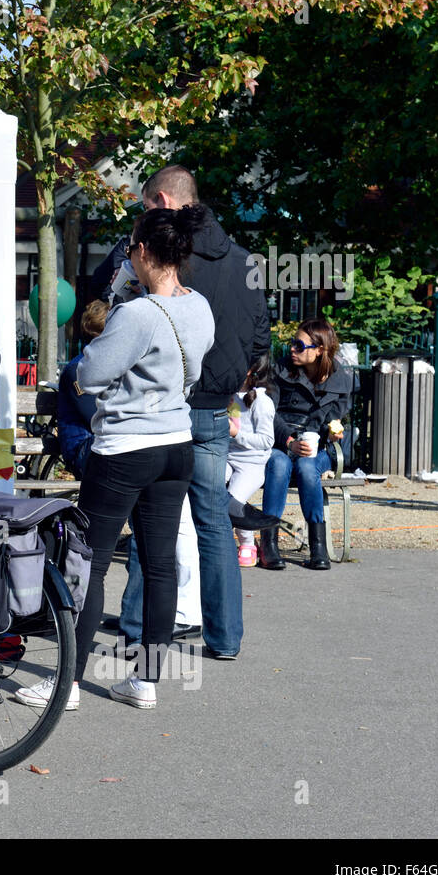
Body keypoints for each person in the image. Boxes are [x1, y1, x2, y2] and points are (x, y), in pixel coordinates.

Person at [112, 166, 269, 660]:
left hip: (167, 406)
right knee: (214, 521)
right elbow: (262, 340)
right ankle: (225, 637)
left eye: (145, 209)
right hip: (217, 409)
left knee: (150, 518)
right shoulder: (246, 261)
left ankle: (138, 627)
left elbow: (133, 325)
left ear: (162, 200)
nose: (143, 222)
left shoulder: (169, 260)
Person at [65, 205, 215, 710]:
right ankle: (145, 680)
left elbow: (89, 374)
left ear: (144, 253)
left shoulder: (136, 314)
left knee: (91, 564)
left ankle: (67, 683)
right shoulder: (200, 307)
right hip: (176, 442)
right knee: (159, 565)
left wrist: (116, 295)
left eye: (131, 249)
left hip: (126, 446)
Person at [259, 318, 352, 571]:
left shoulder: (339, 380)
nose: (292, 349)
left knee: (307, 467)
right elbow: (268, 413)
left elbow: (336, 419)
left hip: (317, 448)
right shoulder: (280, 370)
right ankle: (269, 544)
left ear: (319, 350)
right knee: (278, 464)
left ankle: (318, 545)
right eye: (292, 343)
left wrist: (334, 433)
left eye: (299, 345)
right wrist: (289, 441)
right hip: (282, 442)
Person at [226, 356, 277, 566]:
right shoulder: (231, 395)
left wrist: (237, 434)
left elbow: (267, 440)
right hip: (228, 457)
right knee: (210, 488)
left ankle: (247, 543)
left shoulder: (262, 402)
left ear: (249, 371)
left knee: (234, 501)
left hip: (252, 463)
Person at [56, 299, 109, 479]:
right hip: (84, 447)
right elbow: (94, 417)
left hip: (105, 443)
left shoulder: (108, 364)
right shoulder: (77, 370)